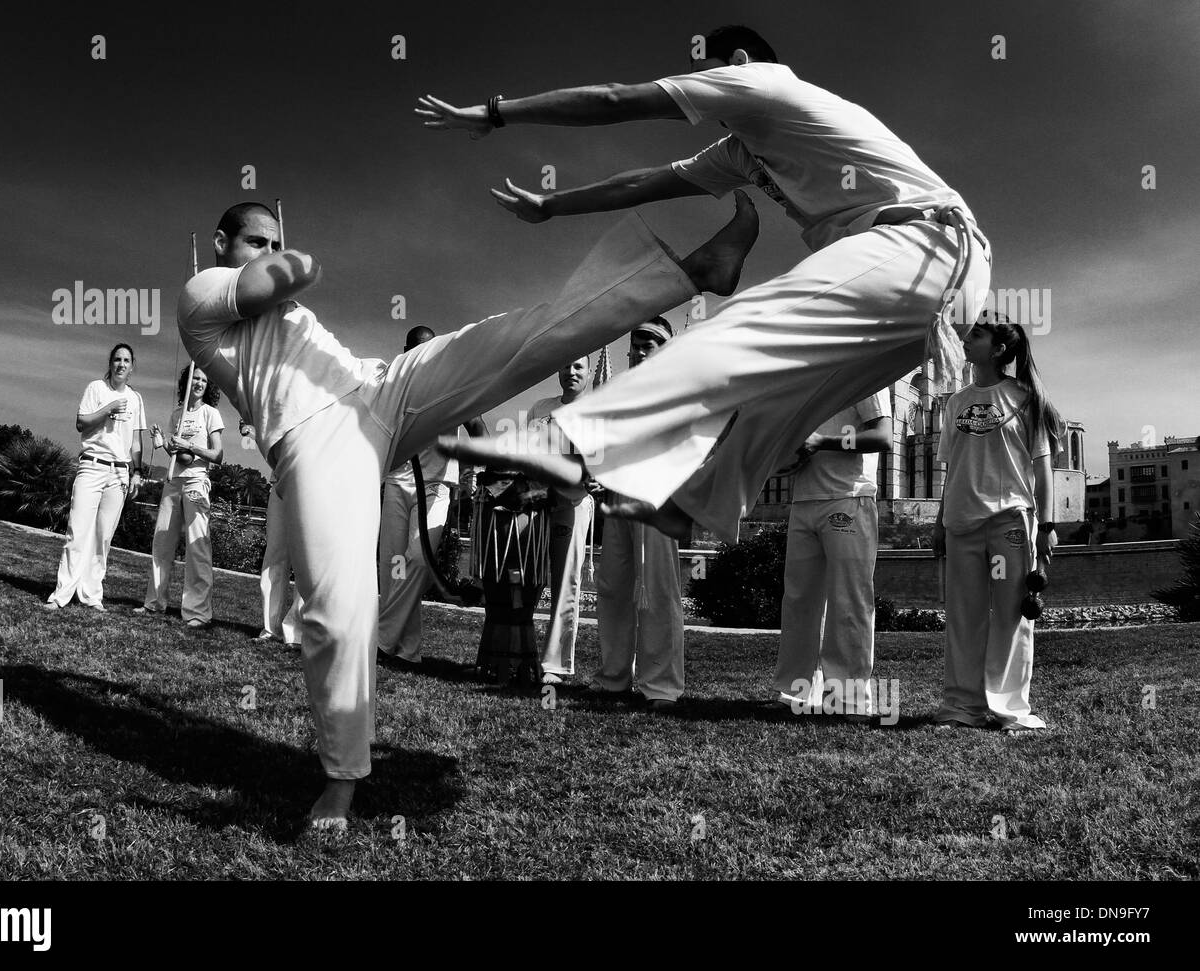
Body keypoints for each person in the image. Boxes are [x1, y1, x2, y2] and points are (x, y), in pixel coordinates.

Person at [177, 199, 756, 830]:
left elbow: (287, 274)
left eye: (273, 241)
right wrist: (289, 258)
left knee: (512, 339)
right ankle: (341, 782)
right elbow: (291, 273)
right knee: (340, 611)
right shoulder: (203, 297)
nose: (267, 251)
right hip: (315, 440)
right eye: (255, 242)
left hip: (378, 388)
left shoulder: (275, 305)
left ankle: (689, 272)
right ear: (219, 243)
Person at [420, 23, 991, 545]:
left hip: (928, 247)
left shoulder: (764, 86)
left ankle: (574, 438)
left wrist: (497, 112)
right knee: (781, 397)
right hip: (935, 292)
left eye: (706, 71)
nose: (700, 88)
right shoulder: (744, 152)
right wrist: (552, 204)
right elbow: (646, 182)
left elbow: (617, 99)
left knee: (752, 323)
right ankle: (696, 504)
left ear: (737, 63)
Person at [932, 313, 1059, 732]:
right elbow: (950, 470)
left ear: (1000, 349)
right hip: (961, 523)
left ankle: (1010, 711)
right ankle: (960, 708)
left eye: (977, 335)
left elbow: (1043, 469)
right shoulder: (955, 402)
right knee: (963, 617)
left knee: (1010, 618)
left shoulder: (1023, 397)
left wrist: (1047, 525)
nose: (967, 340)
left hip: (1009, 520)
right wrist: (939, 522)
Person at [771, 390, 893, 720]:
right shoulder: (813, 376)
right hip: (805, 498)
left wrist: (822, 442)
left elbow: (883, 437)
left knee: (849, 601)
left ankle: (850, 700)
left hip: (849, 497)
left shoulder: (867, 374)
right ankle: (798, 693)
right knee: (799, 600)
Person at [378, 325, 487, 666]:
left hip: (436, 486)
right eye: (415, 348)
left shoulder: (453, 388)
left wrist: (481, 469)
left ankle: (379, 638)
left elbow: (479, 431)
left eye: (430, 349)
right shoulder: (392, 388)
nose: (423, 355)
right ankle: (407, 652)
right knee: (392, 570)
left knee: (420, 559)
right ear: (405, 350)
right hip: (396, 483)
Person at [590, 320, 684, 712]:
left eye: (649, 344)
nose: (640, 351)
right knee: (613, 588)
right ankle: (614, 679)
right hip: (618, 499)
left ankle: (661, 686)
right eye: (635, 345)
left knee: (657, 591)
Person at [45, 343, 146, 611]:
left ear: (132, 366)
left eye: (126, 360)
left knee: (103, 538)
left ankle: (91, 595)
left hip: (119, 473)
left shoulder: (136, 399)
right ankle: (61, 595)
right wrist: (108, 409)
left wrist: (138, 472)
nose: (121, 364)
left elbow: (136, 441)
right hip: (92, 465)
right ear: (110, 363)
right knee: (77, 532)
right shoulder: (96, 389)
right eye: (117, 359)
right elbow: (81, 423)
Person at [134, 366, 224, 629]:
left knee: (197, 548)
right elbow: (178, 458)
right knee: (162, 543)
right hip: (172, 483)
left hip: (197, 483)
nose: (199, 382)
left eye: (204, 380)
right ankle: (154, 603)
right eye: (195, 377)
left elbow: (217, 455)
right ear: (187, 381)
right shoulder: (177, 414)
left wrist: (190, 446)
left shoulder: (211, 413)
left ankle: (197, 612)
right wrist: (164, 444)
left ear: (209, 387)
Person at [526, 355, 593, 683]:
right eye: (566, 365)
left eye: (579, 366)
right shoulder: (540, 408)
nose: (571, 372)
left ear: (590, 370)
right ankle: (521, 653)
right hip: (538, 505)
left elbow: (601, 464)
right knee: (528, 579)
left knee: (566, 583)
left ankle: (555, 665)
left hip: (573, 503)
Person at [250, 425, 304, 647]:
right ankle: (270, 628)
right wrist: (253, 432)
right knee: (274, 556)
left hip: (310, 482)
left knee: (304, 559)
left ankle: (297, 632)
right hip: (279, 482)